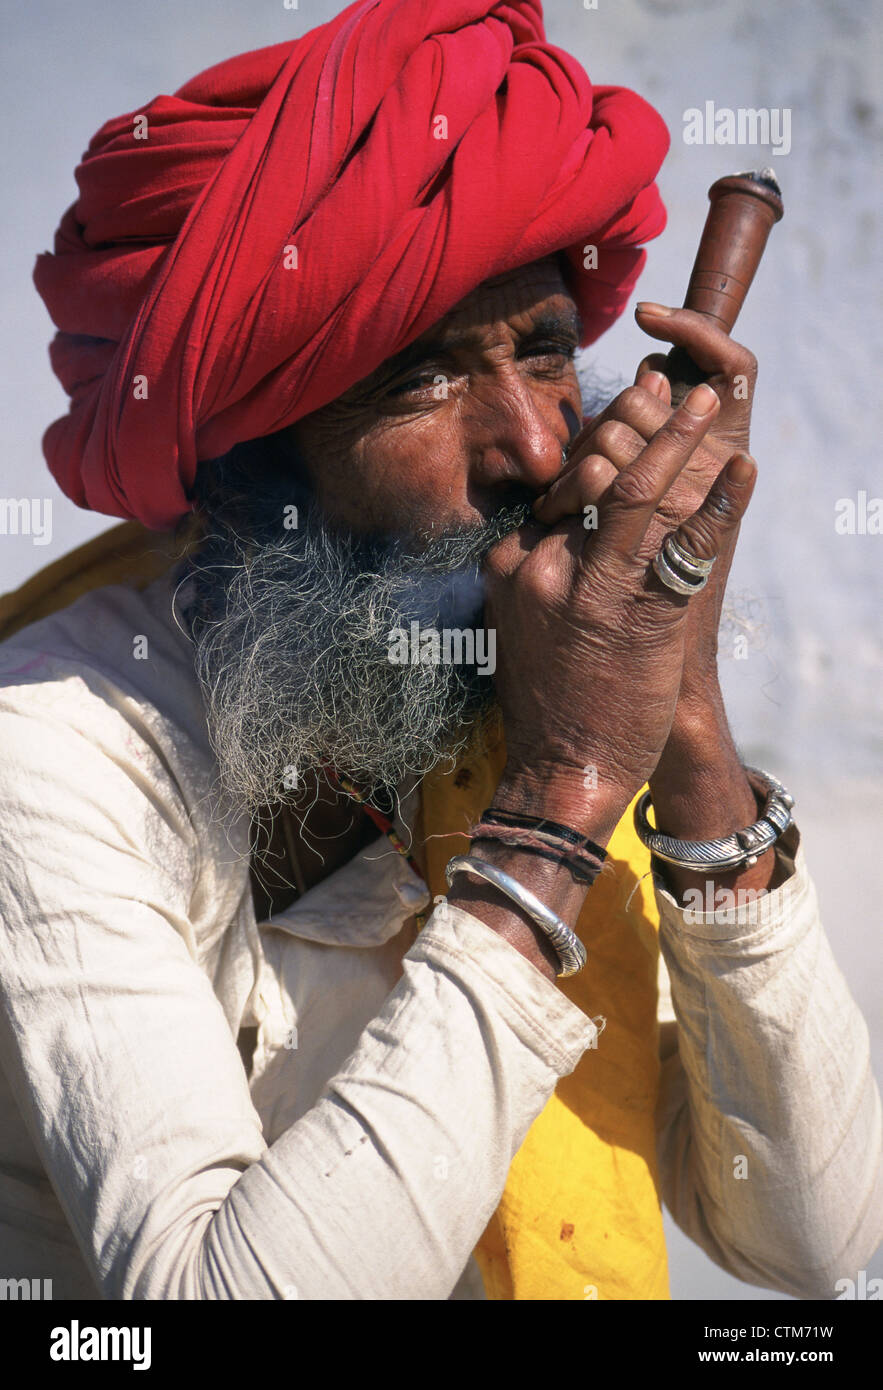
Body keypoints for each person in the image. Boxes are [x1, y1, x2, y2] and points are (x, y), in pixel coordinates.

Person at [0, 0, 880, 1300]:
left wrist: (684, 716)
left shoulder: (521, 659)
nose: (532, 448)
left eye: (546, 352)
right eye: (417, 380)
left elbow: (811, 1234)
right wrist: (560, 798)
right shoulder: (58, 746)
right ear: (251, 462)